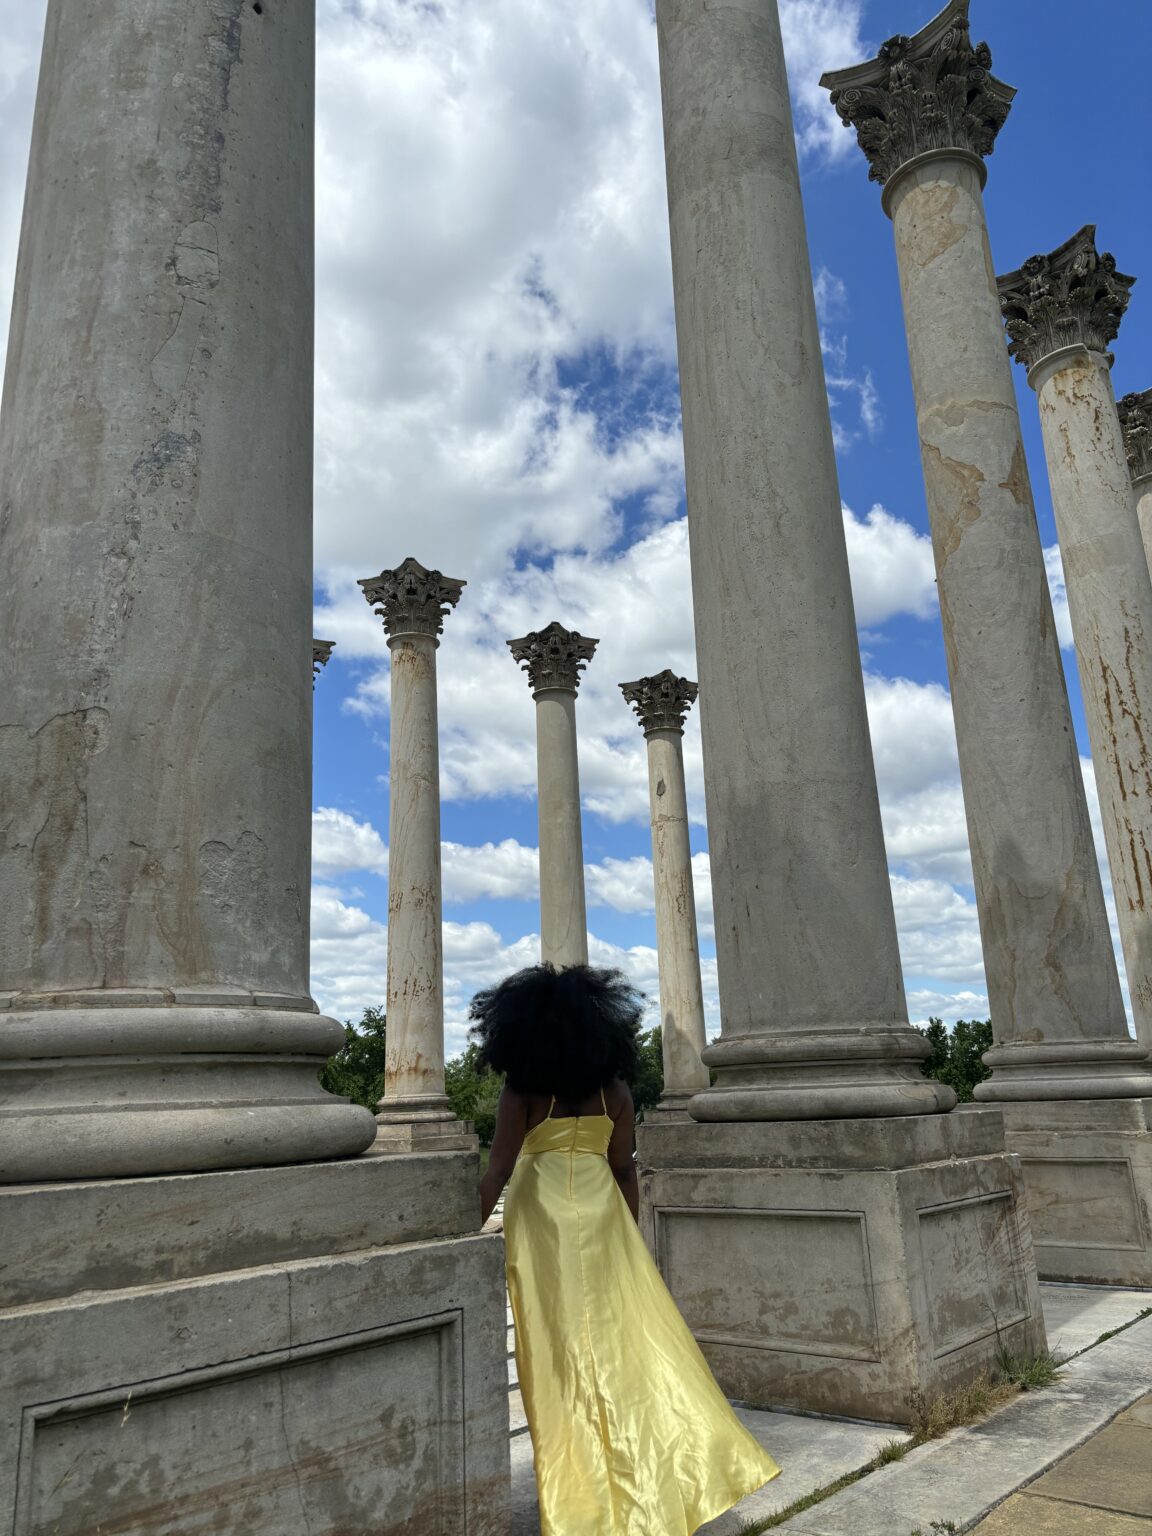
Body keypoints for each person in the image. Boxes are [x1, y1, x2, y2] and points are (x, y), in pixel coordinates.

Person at [472, 963, 780, 1536]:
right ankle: (659, 1471)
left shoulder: (523, 1092)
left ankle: (580, 1495)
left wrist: (460, 1230)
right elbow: (623, 1170)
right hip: (605, 1218)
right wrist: (633, 1238)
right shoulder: (615, 1092)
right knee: (624, 1343)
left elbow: (497, 1172)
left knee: (557, 1351)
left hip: (542, 1222)